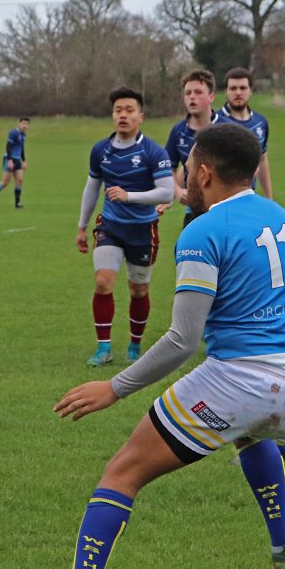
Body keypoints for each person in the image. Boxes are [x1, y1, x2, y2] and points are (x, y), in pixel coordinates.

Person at [23, 125, 285, 569]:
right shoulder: (281, 216)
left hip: (242, 383)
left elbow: (183, 339)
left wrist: (114, 388)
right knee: (250, 434)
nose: (182, 178)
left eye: (187, 168)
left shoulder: (202, 231)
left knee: (121, 474)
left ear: (204, 173)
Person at [78, 86, 174, 366]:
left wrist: (129, 196)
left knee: (138, 290)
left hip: (143, 229)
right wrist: (82, 226)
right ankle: (103, 348)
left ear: (140, 117)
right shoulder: (100, 150)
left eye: (129, 110)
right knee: (102, 282)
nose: (123, 115)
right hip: (110, 226)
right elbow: (92, 188)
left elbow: (167, 192)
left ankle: (135, 344)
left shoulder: (153, 152)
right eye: (118, 110)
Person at [162, 70, 215, 227]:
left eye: (198, 92)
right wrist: (177, 191)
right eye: (188, 93)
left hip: (224, 210)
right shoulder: (178, 131)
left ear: (211, 97)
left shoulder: (227, 127)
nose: (192, 97)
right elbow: (167, 168)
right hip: (193, 211)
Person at [220, 67, 273, 198]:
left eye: (243, 88)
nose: (238, 92)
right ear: (226, 92)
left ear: (251, 91)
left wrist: (269, 198)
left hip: (248, 196)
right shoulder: (215, 123)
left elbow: (262, 159)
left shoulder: (261, 122)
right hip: (221, 198)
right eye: (233, 88)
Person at [0, 116, 29, 208]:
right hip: (10, 159)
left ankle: (17, 204)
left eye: (27, 124)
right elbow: (8, 146)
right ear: (19, 123)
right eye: (24, 123)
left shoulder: (23, 135)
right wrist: (9, 160)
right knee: (5, 182)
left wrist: (24, 160)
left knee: (20, 180)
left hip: (17, 160)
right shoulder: (13, 133)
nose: (25, 125)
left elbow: (21, 148)